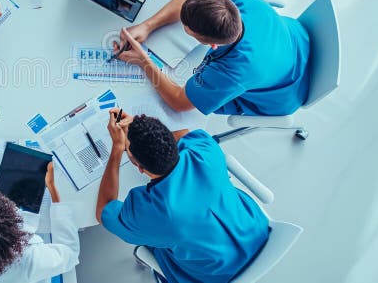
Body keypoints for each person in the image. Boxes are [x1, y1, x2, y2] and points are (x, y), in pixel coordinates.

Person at [96, 110, 270, 283]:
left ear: (139, 167)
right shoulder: (205, 150)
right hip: (256, 233)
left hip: (213, 276)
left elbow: (104, 209)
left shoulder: (153, 212)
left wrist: (117, 148)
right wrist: (141, 127)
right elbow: (183, 134)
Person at [114, 0, 311, 116]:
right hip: (298, 39)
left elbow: (179, 102)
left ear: (212, 46)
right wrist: (148, 26)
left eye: (187, 29)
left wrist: (142, 60)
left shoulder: (232, 72)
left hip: (288, 89)